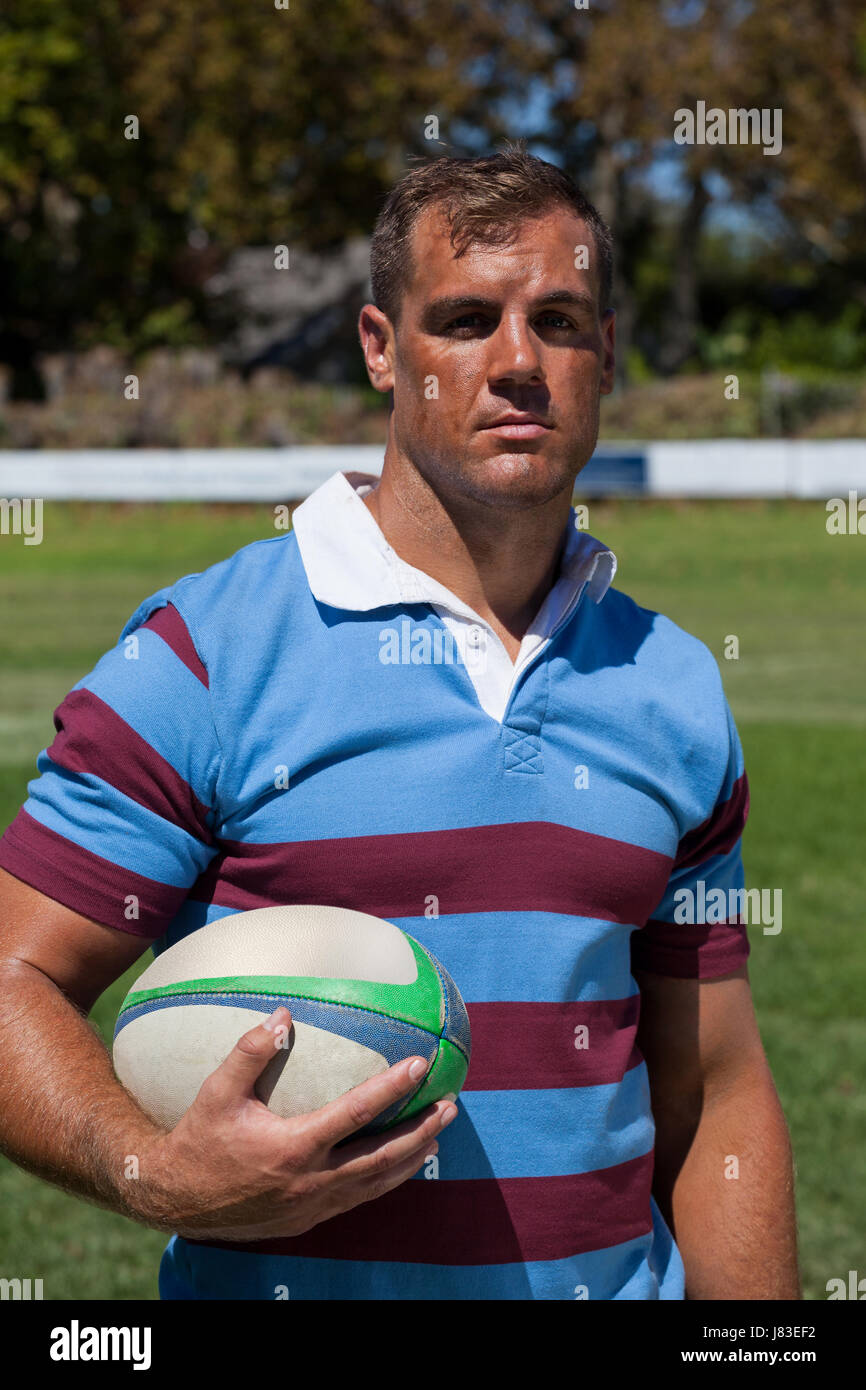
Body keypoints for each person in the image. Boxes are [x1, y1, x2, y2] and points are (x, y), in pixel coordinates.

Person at [0, 142, 799, 1299]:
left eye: (561, 321)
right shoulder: (203, 656)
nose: (518, 362)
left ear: (606, 355)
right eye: (466, 319)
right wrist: (157, 1174)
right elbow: (16, 977)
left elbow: (714, 1084)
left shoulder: (667, 682)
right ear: (382, 350)